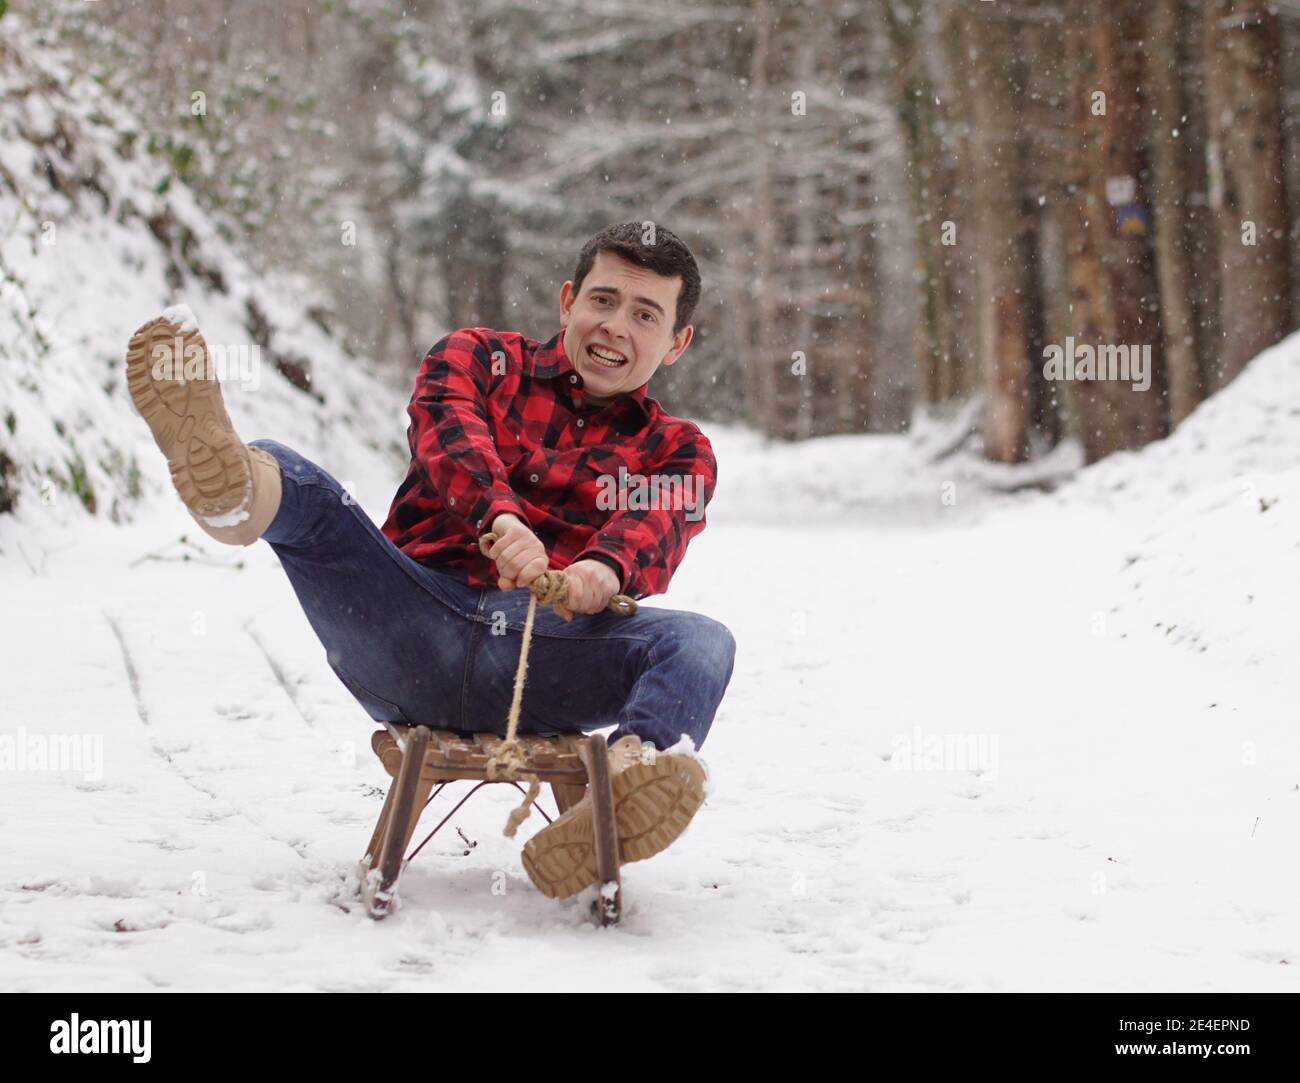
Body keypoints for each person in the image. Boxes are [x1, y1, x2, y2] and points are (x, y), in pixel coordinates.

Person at [123, 222, 736, 901]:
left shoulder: (677, 450)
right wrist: (501, 518)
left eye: (644, 314)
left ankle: (623, 790)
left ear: (676, 342)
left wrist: (601, 572)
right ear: (568, 301)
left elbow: (657, 524)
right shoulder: (475, 356)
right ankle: (232, 490)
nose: (614, 325)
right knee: (303, 483)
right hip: (407, 621)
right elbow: (449, 432)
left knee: (702, 642)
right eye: (603, 299)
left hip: (543, 654)